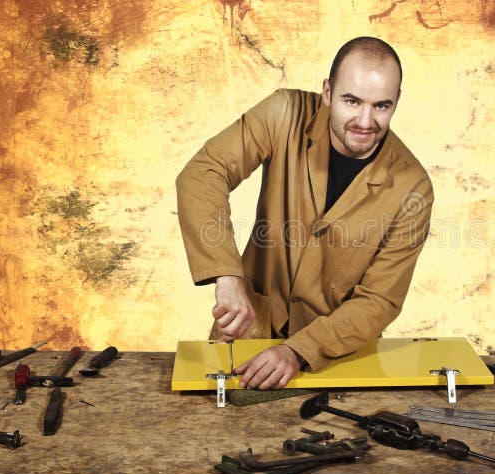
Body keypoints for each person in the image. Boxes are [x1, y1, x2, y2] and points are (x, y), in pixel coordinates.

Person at [176, 37, 433, 390]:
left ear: (397, 101)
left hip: (336, 361)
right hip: (246, 339)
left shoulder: (413, 188)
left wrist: (299, 350)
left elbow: (379, 301)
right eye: (351, 101)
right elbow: (204, 173)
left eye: (381, 106)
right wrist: (226, 274)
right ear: (327, 92)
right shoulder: (283, 112)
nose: (365, 120)